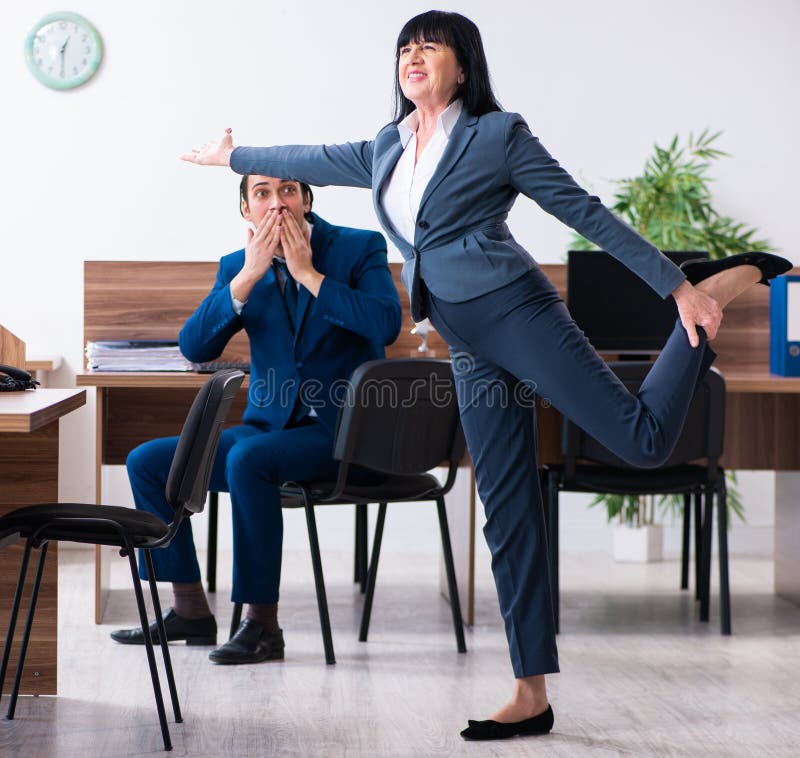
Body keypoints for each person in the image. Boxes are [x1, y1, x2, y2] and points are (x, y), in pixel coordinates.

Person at [180, 10, 792, 737]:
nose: (413, 55)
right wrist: (232, 155)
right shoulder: (386, 146)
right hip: (464, 334)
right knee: (506, 506)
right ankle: (530, 691)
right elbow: (310, 156)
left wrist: (675, 286)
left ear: (462, 66)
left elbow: (584, 211)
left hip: (514, 309)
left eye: (429, 45)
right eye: (405, 46)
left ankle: (713, 293)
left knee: (644, 440)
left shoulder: (498, 135)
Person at [111, 174, 401, 664]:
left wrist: (309, 274)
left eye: (288, 191)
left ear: (307, 200)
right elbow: (195, 347)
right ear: (246, 211)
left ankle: (262, 624)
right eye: (262, 194)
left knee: (250, 461)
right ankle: (190, 610)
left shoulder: (357, 248)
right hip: (270, 430)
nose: (277, 204)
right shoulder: (236, 266)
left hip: (348, 435)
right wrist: (246, 277)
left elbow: (385, 324)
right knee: (147, 461)